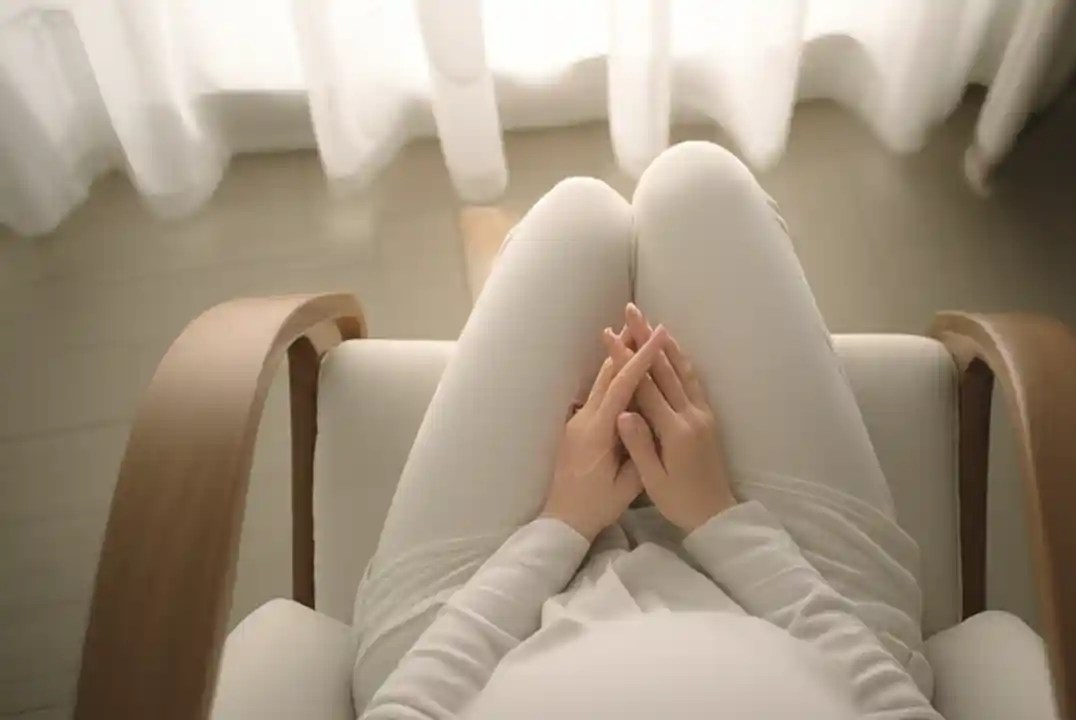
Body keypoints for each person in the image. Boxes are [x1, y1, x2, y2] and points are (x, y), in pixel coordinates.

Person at [353, 142, 940, 719]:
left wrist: (562, 524)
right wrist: (717, 517)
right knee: (696, 184)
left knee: (577, 220)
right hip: (822, 630)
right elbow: (891, 703)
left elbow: (407, 703)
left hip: (458, 655)